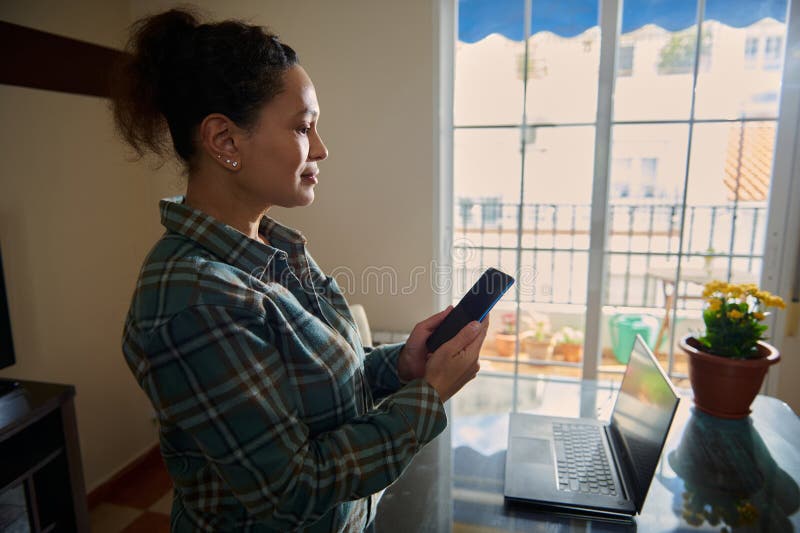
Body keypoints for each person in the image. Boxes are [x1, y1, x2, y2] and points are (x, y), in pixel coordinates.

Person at [115, 8, 488, 532]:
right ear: (225, 141)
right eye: (302, 127)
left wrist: (400, 367)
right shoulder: (196, 301)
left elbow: (317, 390)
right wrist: (427, 398)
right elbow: (292, 489)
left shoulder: (269, 246)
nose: (321, 148)